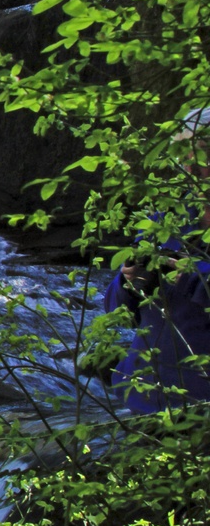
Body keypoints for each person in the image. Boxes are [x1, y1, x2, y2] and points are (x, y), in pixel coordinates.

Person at [104, 108, 210, 413]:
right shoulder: (164, 222)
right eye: (186, 158)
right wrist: (129, 281)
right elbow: (114, 309)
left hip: (201, 404)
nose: (194, 169)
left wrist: (193, 276)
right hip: (143, 398)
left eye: (204, 157)